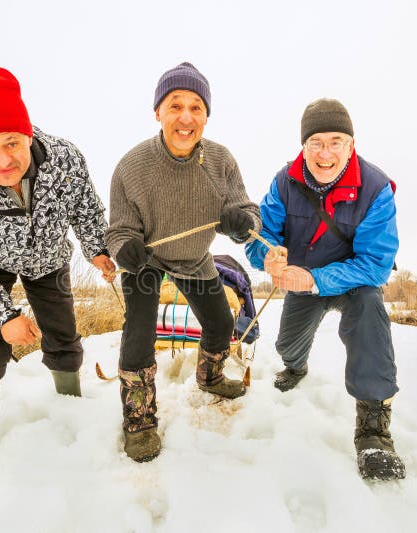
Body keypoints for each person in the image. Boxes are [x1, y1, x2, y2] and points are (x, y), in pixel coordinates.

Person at [0, 65, 115, 454]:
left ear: (27, 133)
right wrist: (4, 316)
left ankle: (70, 403)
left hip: (48, 256)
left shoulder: (64, 158)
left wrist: (97, 247)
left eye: (11, 143)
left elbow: (85, 208)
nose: (1, 161)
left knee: (62, 330)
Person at [105, 62, 261, 462]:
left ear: (206, 115)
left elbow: (247, 212)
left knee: (221, 322)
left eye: (196, 107)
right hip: (148, 262)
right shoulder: (131, 166)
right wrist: (126, 248)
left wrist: (243, 223)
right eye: (175, 105)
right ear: (158, 112)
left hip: (195, 257)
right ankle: (139, 418)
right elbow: (119, 230)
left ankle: (208, 377)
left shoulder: (221, 161)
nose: (186, 117)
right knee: (139, 332)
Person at [244, 98, 405, 481]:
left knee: (370, 310)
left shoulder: (376, 189)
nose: (325, 152)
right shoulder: (284, 182)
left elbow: (376, 264)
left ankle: (373, 430)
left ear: (351, 144)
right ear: (303, 146)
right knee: (287, 344)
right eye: (316, 142)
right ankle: (295, 366)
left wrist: (317, 279)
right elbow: (259, 235)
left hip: (352, 282)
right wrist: (265, 256)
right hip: (301, 280)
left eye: (336, 141)